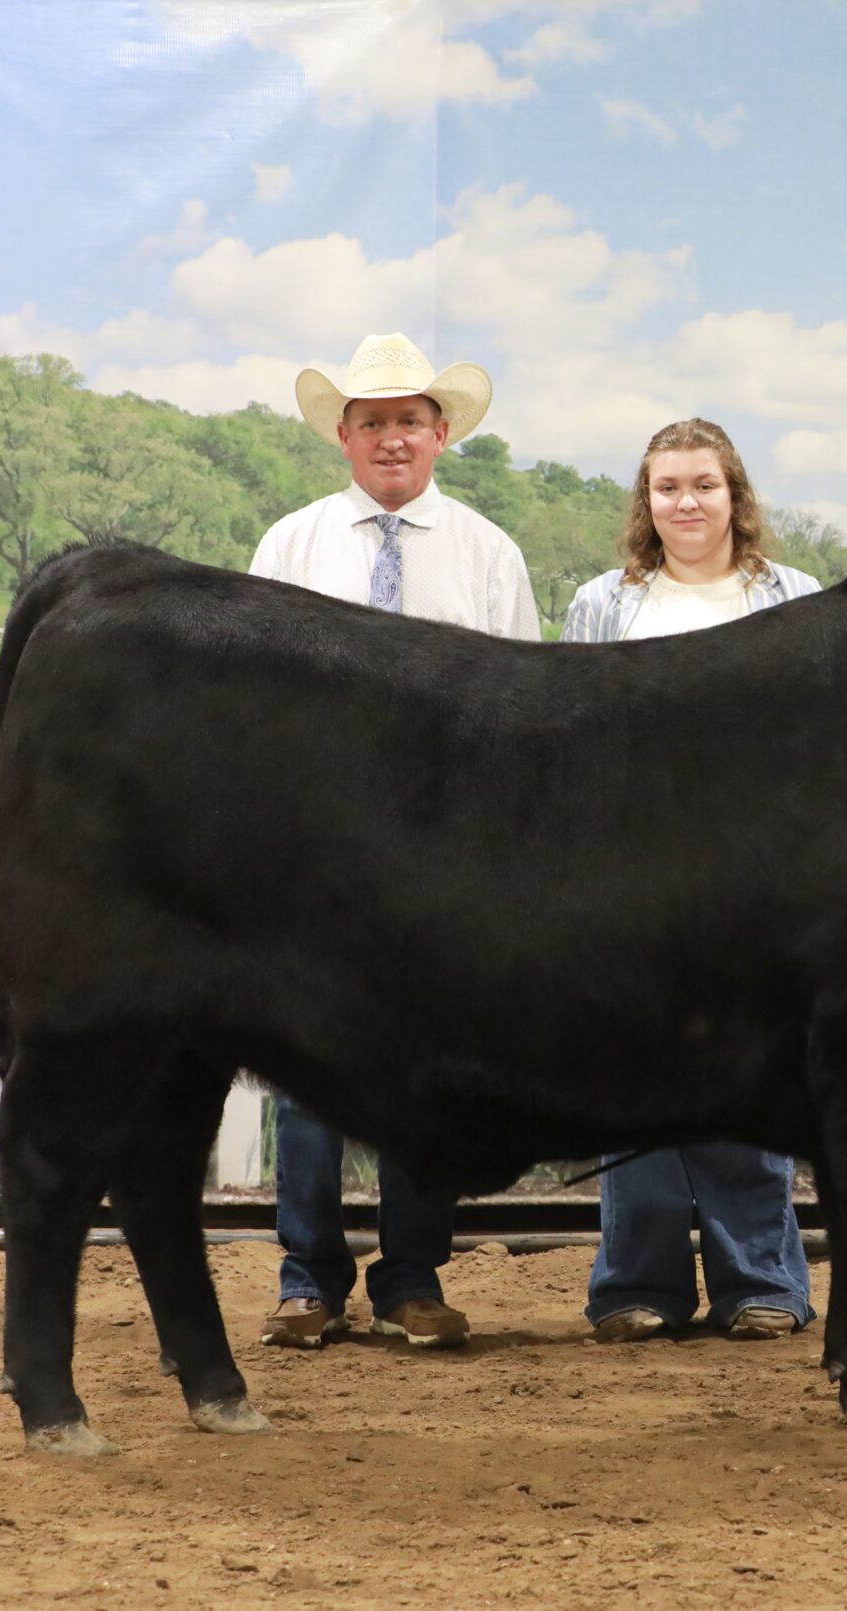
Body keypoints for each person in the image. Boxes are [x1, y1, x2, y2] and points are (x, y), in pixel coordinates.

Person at [251, 333, 542, 1351]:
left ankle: (412, 1276)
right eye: (371, 421)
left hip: (443, 851)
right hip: (317, 847)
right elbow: (253, 706)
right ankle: (307, 1280)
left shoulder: (489, 554)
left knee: (429, 1067)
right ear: (342, 435)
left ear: (440, 433)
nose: (390, 438)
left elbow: (522, 709)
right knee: (307, 1071)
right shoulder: (289, 548)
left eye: (408, 420)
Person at [566, 418, 820, 1345]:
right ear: (647, 501)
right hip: (630, 876)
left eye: (703, 484)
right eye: (667, 486)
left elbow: (823, 740)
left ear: (734, 494)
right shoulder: (604, 604)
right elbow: (568, 740)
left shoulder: (792, 597)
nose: (686, 502)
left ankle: (761, 1281)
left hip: (756, 874)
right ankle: (637, 1284)